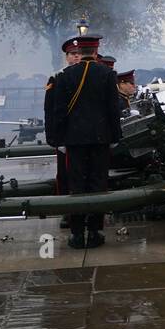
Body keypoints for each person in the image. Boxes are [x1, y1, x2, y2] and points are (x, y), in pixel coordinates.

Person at [47, 33, 121, 249]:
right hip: (100, 139)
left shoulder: (65, 76)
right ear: (96, 52)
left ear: (80, 52)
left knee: (76, 184)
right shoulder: (107, 74)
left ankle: (77, 234)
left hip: (74, 140)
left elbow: (59, 111)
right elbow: (112, 110)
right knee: (98, 182)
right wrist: (115, 136)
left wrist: (59, 139)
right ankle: (95, 231)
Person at [44, 37, 83, 226]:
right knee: (65, 174)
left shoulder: (86, 76)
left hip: (83, 132)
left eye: (79, 54)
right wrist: (55, 139)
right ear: (67, 57)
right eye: (73, 55)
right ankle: (67, 211)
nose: (76, 58)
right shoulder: (57, 78)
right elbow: (50, 110)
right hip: (66, 135)